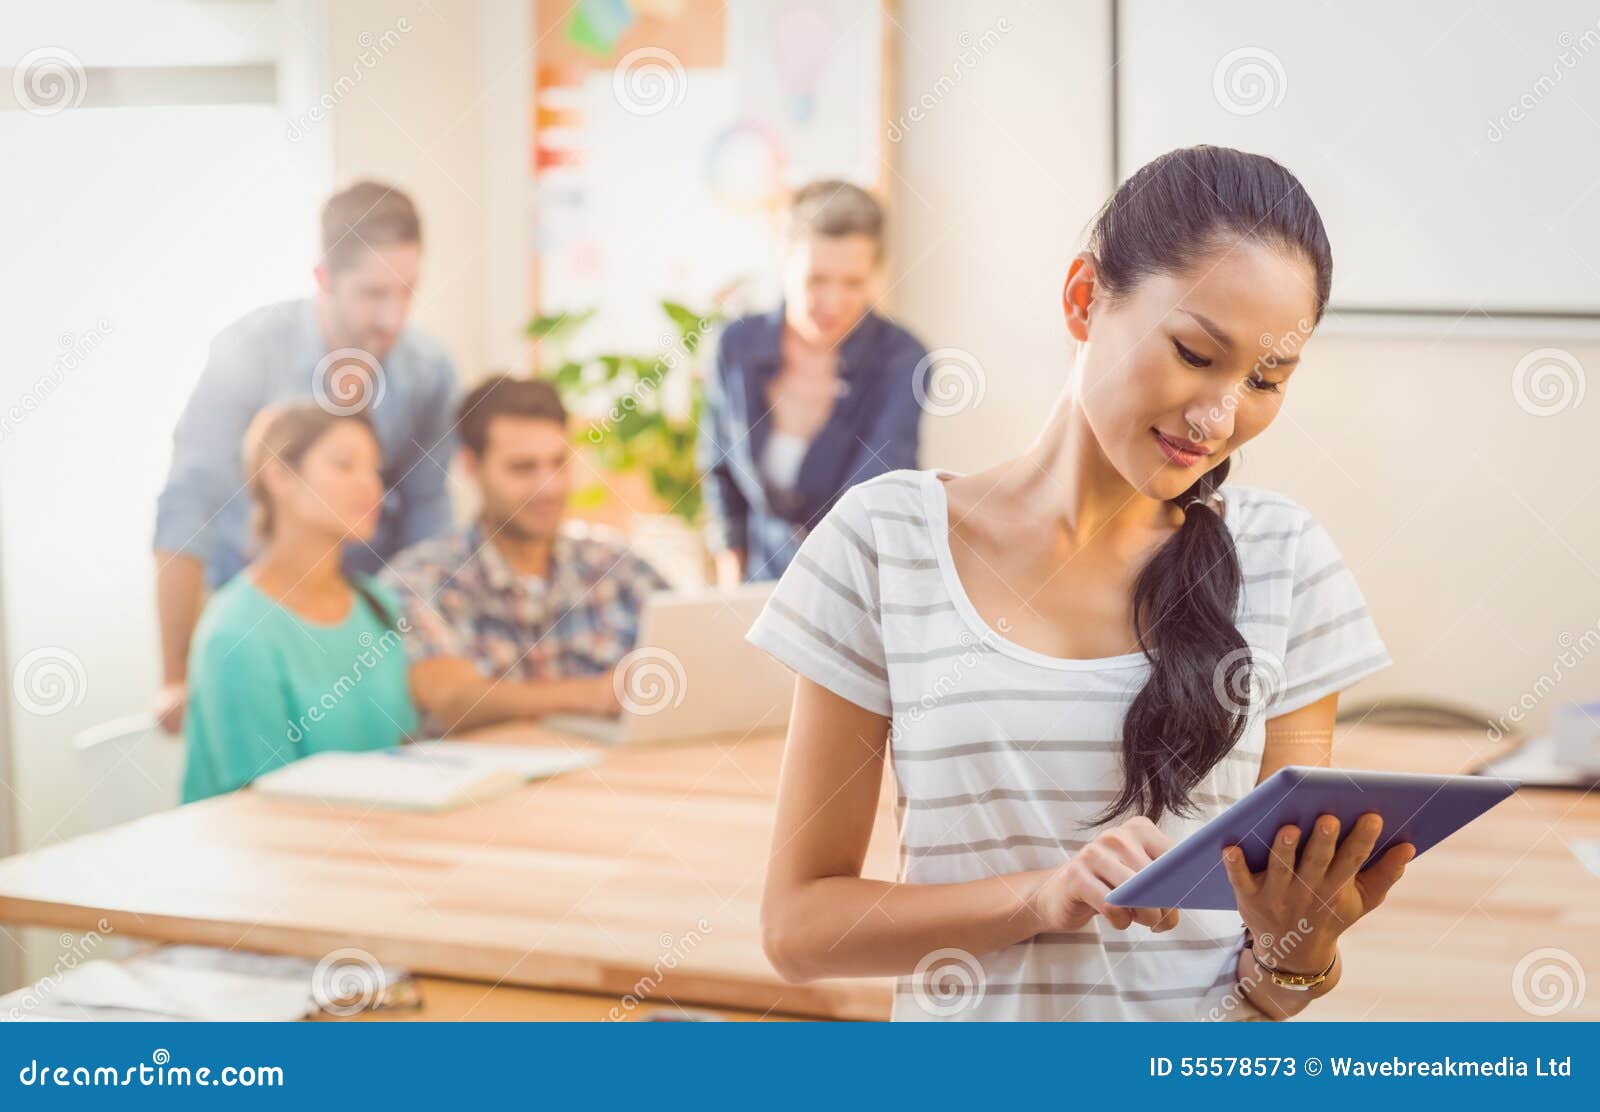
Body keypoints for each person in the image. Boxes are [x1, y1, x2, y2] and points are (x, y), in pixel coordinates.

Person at [748, 146, 1414, 1022]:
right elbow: (799, 931)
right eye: (1194, 353)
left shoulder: (1286, 559)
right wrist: (1039, 897)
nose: (1218, 417)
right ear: (1084, 297)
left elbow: (1271, 986)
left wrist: (1301, 947)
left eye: (1265, 380)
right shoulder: (885, 542)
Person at [152, 181, 457, 735]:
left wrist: (429, 655)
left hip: (365, 629)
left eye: (408, 291)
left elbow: (428, 527)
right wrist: (177, 675)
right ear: (323, 279)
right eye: (372, 294)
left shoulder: (428, 371)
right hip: (259, 621)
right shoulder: (249, 352)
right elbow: (189, 508)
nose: (392, 318)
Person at [382, 375, 669, 735]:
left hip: (622, 768)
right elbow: (453, 698)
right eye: (523, 468)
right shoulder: (422, 578)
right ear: (472, 467)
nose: (548, 487)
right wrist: (593, 695)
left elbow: (696, 647)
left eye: (558, 464)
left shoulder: (618, 567)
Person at [697, 179, 930, 584]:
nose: (833, 303)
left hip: (855, 586)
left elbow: (874, 497)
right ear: (784, 260)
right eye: (816, 280)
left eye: (853, 283)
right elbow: (720, 471)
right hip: (759, 587)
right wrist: (733, 585)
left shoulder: (903, 360)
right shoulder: (736, 347)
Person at [182, 404, 416, 803]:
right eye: (344, 465)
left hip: (377, 829)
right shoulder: (236, 632)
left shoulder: (376, 603)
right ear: (279, 475)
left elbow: (402, 754)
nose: (370, 485)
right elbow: (263, 804)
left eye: (374, 470)